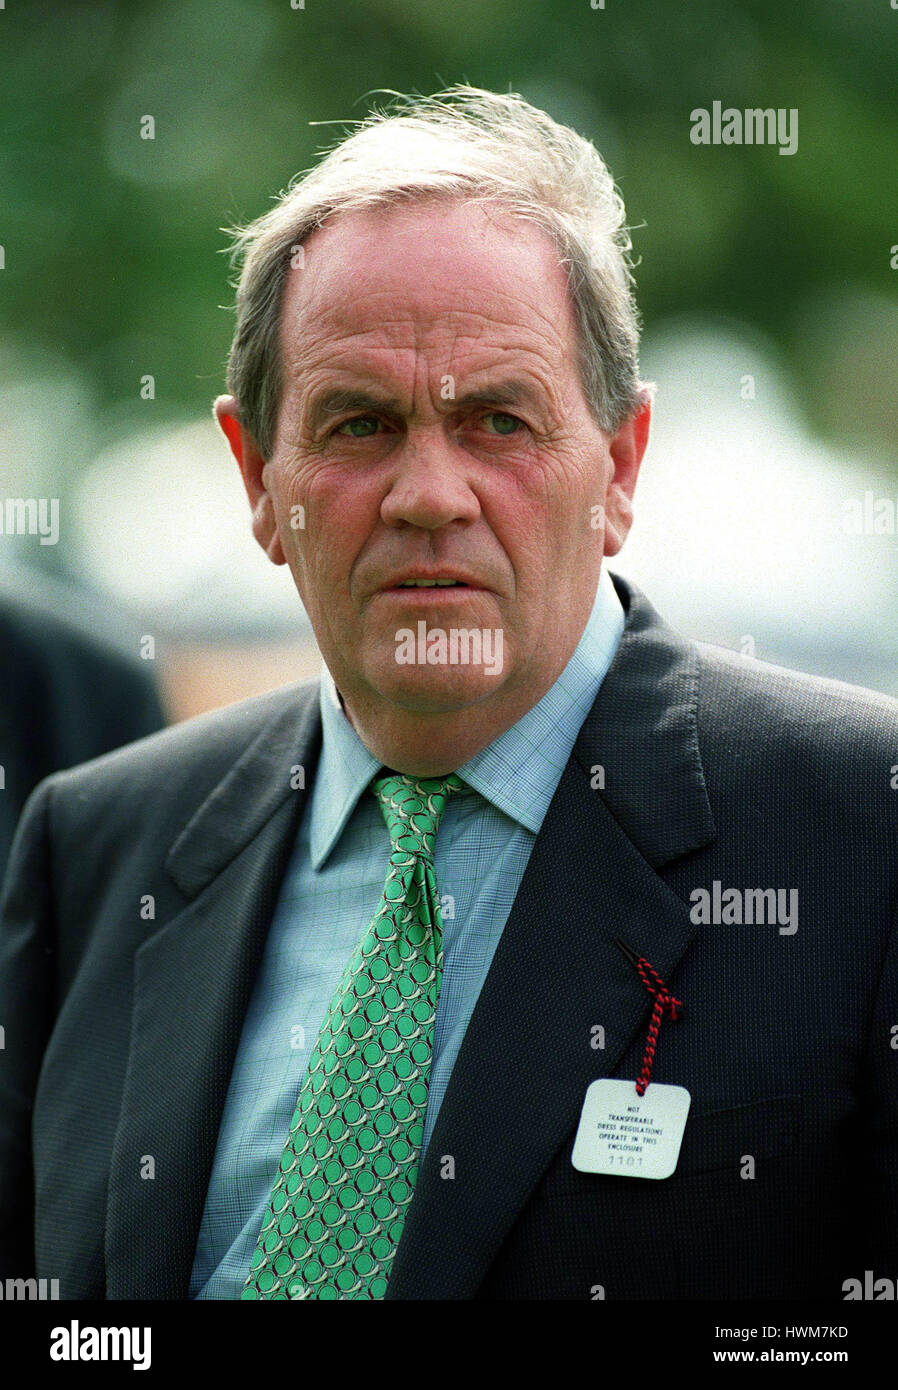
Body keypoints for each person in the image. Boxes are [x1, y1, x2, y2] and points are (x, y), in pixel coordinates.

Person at [1, 86, 896, 1302]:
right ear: (260, 479)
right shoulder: (98, 846)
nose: (431, 492)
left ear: (620, 465)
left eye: (497, 420)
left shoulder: (857, 830)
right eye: (360, 424)